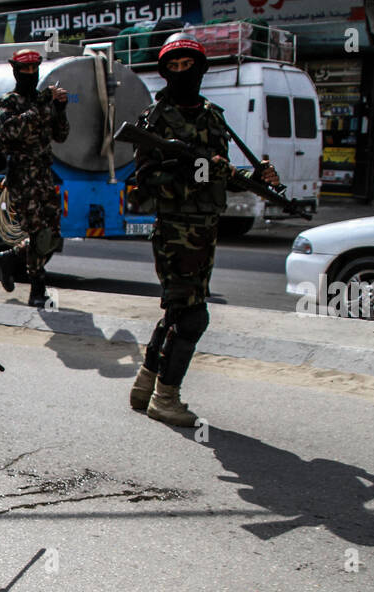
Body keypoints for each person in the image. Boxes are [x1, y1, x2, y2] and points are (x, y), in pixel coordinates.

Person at [128, 34, 278, 426]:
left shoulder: (212, 116)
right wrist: (193, 170)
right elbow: (145, 181)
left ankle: (146, 385)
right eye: (173, 67)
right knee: (193, 318)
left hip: (206, 229)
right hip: (175, 231)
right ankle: (166, 397)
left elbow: (221, 173)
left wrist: (254, 177)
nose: (180, 73)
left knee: (178, 311)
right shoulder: (155, 120)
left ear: (200, 69)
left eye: (187, 66)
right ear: (164, 71)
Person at [0, 49, 69, 309]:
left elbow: (61, 136)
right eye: (24, 70)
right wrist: (40, 106)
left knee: (53, 235)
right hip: (23, 178)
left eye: (33, 69)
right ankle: (37, 289)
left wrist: (59, 108)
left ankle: (8, 258)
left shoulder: (42, 100)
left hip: (45, 176)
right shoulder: (8, 102)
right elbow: (11, 132)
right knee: (39, 234)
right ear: (15, 70)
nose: (29, 74)